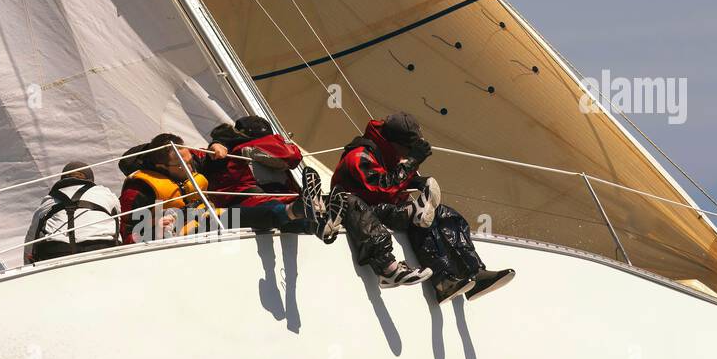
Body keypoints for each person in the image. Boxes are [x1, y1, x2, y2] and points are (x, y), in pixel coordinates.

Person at [332, 113, 514, 299]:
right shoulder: (359, 155)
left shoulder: (389, 156)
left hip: (384, 211)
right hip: (359, 213)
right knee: (417, 214)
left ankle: (468, 274)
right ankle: (411, 270)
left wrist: (421, 183)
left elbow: (393, 187)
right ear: (394, 143)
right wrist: (411, 163)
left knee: (443, 214)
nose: (407, 154)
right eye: (407, 149)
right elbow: (381, 188)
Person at [200, 116, 342, 238]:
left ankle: (314, 224)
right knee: (276, 208)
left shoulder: (224, 152)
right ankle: (310, 217)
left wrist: (215, 144)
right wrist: (214, 145)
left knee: (284, 210)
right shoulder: (236, 150)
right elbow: (292, 155)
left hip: (269, 201)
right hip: (249, 204)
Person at [118, 133, 218, 242]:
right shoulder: (139, 190)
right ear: (161, 166)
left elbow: (213, 157)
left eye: (190, 162)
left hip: (208, 230)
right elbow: (127, 235)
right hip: (168, 246)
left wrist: (218, 144)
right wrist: (155, 231)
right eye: (183, 165)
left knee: (239, 214)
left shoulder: (190, 161)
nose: (190, 168)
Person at [24, 161, 121, 264]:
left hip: (57, 252)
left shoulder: (49, 200)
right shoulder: (105, 193)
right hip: (101, 247)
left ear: (63, 178)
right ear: (90, 179)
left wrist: (27, 265)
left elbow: (32, 237)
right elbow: (118, 223)